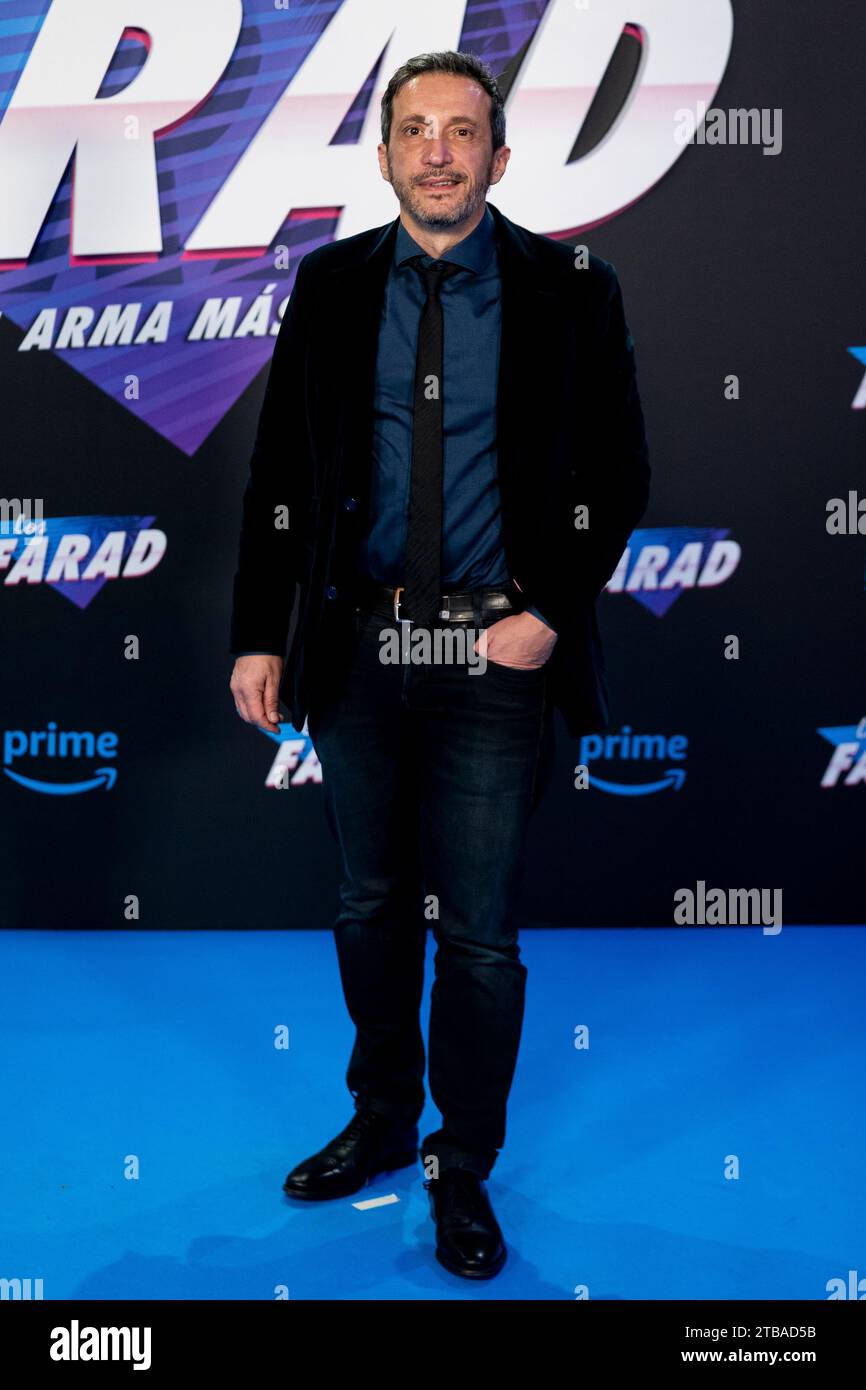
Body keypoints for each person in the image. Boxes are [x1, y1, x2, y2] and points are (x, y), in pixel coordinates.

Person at [229, 49, 650, 1281]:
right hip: (357, 645)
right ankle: (376, 1122)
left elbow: (614, 476)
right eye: (413, 129)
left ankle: (457, 1164)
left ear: (499, 155)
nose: (436, 150)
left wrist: (549, 614)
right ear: (383, 154)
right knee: (368, 906)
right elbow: (279, 481)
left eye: (460, 130)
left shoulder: (573, 286)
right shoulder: (331, 283)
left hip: (493, 651)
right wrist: (262, 629)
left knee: (473, 935)